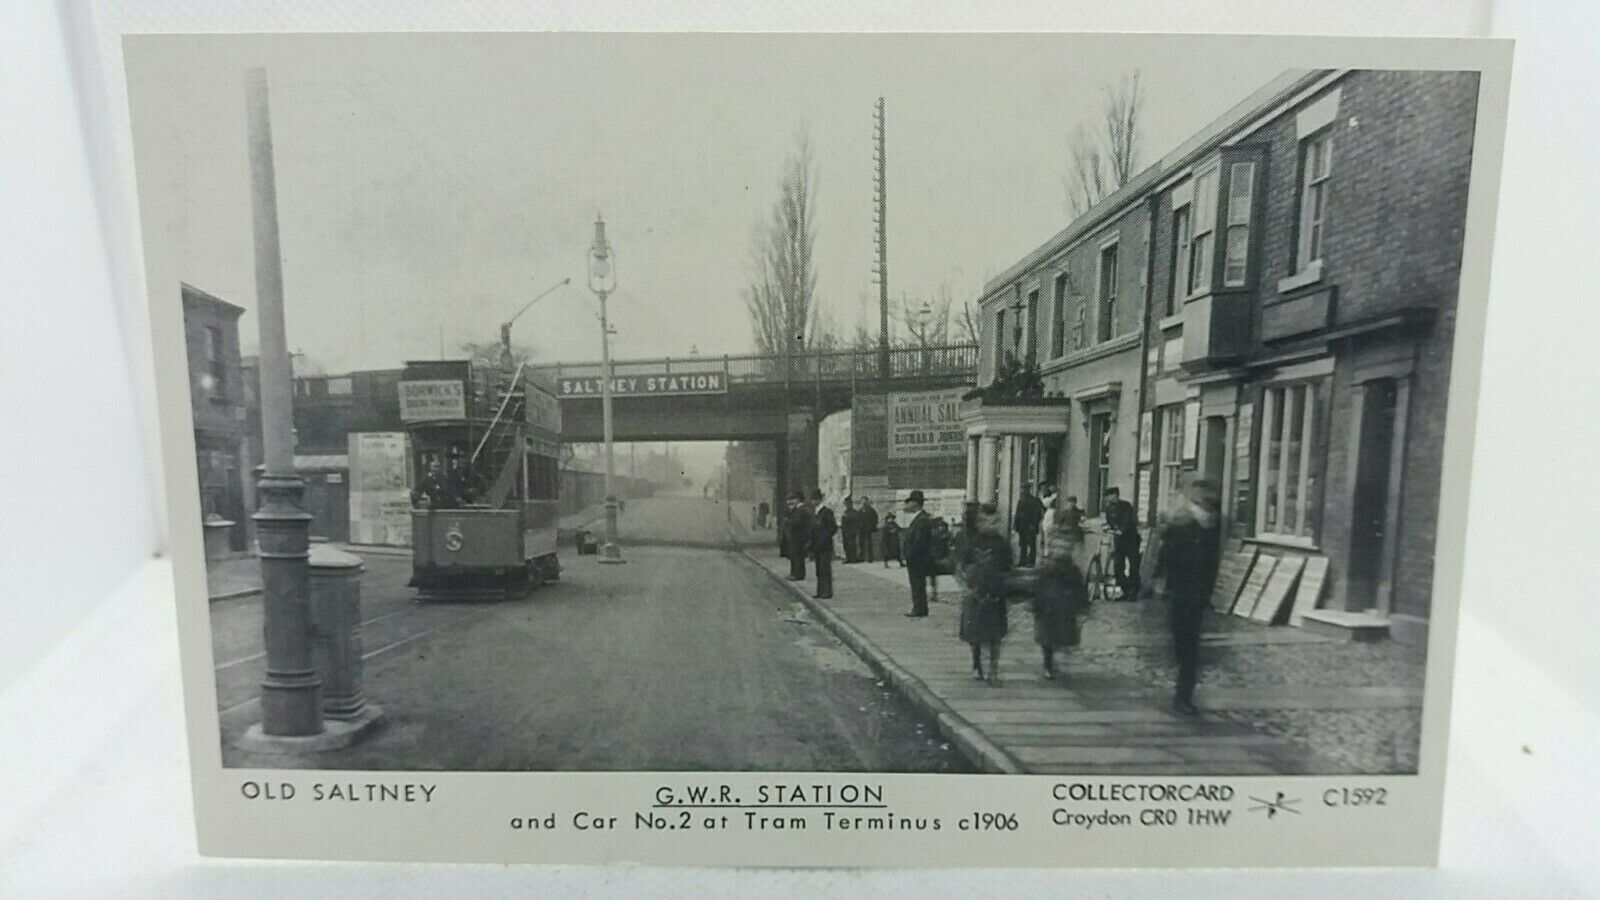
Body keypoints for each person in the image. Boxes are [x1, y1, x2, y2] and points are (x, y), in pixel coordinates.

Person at [1159, 479, 1222, 716]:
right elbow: (1168, 557)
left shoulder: (1211, 525)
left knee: (1189, 648)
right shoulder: (1183, 525)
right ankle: (1183, 693)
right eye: (1204, 496)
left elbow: (1211, 563)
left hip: (1194, 595)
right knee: (1185, 646)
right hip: (1182, 593)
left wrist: (1208, 590)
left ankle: (1183, 694)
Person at [956, 503, 1013, 684]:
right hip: (975, 593)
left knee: (995, 634)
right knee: (975, 634)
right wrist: (967, 584)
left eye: (995, 522)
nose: (991, 525)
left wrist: (1005, 587)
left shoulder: (1003, 544)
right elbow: (961, 566)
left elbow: (1009, 568)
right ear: (979, 522)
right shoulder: (971, 542)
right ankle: (976, 665)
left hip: (996, 594)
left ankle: (993, 671)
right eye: (986, 522)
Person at [1034, 519, 1090, 680]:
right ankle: (1048, 664)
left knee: (1057, 635)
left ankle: (1050, 662)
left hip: (1061, 605)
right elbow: (1040, 585)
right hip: (1050, 605)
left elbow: (1079, 587)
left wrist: (1082, 606)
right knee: (1049, 637)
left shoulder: (1071, 569)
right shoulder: (1051, 567)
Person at [1103, 486, 1141, 600]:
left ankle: (1133, 593)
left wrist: (1122, 530)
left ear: (1115, 495)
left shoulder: (1126, 506)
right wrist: (1107, 527)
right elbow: (1110, 521)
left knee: (1134, 566)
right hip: (1119, 541)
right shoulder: (1109, 508)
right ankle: (1126, 590)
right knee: (1118, 567)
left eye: (1110, 495)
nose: (1108, 498)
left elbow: (1129, 520)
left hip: (1131, 540)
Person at [901, 490, 935, 617]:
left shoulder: (921, 520)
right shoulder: (920, 518)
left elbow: (919, 541)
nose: (907, 505)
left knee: (917, 584)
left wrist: (910, 554)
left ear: (915, 503)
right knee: (917, 583)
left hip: (918, 558)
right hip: (917, 557)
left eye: (909, 502)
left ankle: (919, 609)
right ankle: (920, 608)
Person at [809, 489, 837, 599]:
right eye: (812, 499)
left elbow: (832, 528)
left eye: (815, 499)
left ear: (820, 499)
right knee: (819, 570)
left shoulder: (826, 512)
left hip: (825, 546)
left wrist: (824, 537)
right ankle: (820, 591)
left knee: (825, 569)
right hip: (817, 546)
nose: (813, 501)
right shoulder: (815, 512)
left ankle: (827, 591)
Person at [1012, 484, 1045, 567]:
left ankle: (1031, 562)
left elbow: (1038, 514)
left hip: (1030, 526)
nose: (1023, 491)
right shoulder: (1020, 501)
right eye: (1022, 489)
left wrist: (1033, 524)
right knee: (1022, 544)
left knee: (1031, 544)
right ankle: (1022, 561)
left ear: (1028, 489)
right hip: (1022, 526)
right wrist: (1015, 525)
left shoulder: (1034, 500)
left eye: (1025, 489)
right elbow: (1017, 514)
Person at [783, 491, 811, 581]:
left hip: (799, 537)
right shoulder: (795, 510)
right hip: (795, 537)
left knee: (798, 556)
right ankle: (794, 573)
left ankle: (798, 574)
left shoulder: (802, 510)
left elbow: (800, 523)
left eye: (792, 500)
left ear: (797, 500)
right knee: (794, 555)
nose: (790, 503)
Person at [929, 517, 953, 602]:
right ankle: (934, 594)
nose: (942, 527)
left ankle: (934, 594)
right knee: (933, 575)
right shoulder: (935, 533)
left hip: (938, 555)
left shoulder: (938, 532)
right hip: (937, 556)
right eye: (940, 525)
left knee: (933, 576)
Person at [857, 496, 879, 562]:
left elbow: (875, 518)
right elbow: (857, 519)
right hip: (861, 529)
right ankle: (862, 558)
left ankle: (870, 558)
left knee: (869, 543)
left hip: (868, 529)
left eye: (864, 500)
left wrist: (872, 526)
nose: (863, 502)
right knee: (861, 543)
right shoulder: (860, 510)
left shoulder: (871, 510)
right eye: (862, 500)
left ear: (867, 501)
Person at [1039, 483, 1059, 549]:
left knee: (1050, 533)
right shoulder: (1042, 496)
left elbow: (1048, 502)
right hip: (1044, 516)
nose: (1043, 489)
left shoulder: (1052, 497)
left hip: (1050, 516)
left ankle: (1049, 548)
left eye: (1045, 487)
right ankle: (1044, 544)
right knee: (1045, 532)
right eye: (1042, 488)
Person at [840, 497, 860, 564]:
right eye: (845, 503)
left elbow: (855, 522)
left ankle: (853, 559)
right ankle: (848, 558)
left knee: (852, 545)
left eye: (847, 503)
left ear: (850, 504)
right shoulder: (845, 512)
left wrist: (853, 531)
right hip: (845, 531)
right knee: (846, 546)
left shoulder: (854, 512)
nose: (846, 505)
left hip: (851, 532)